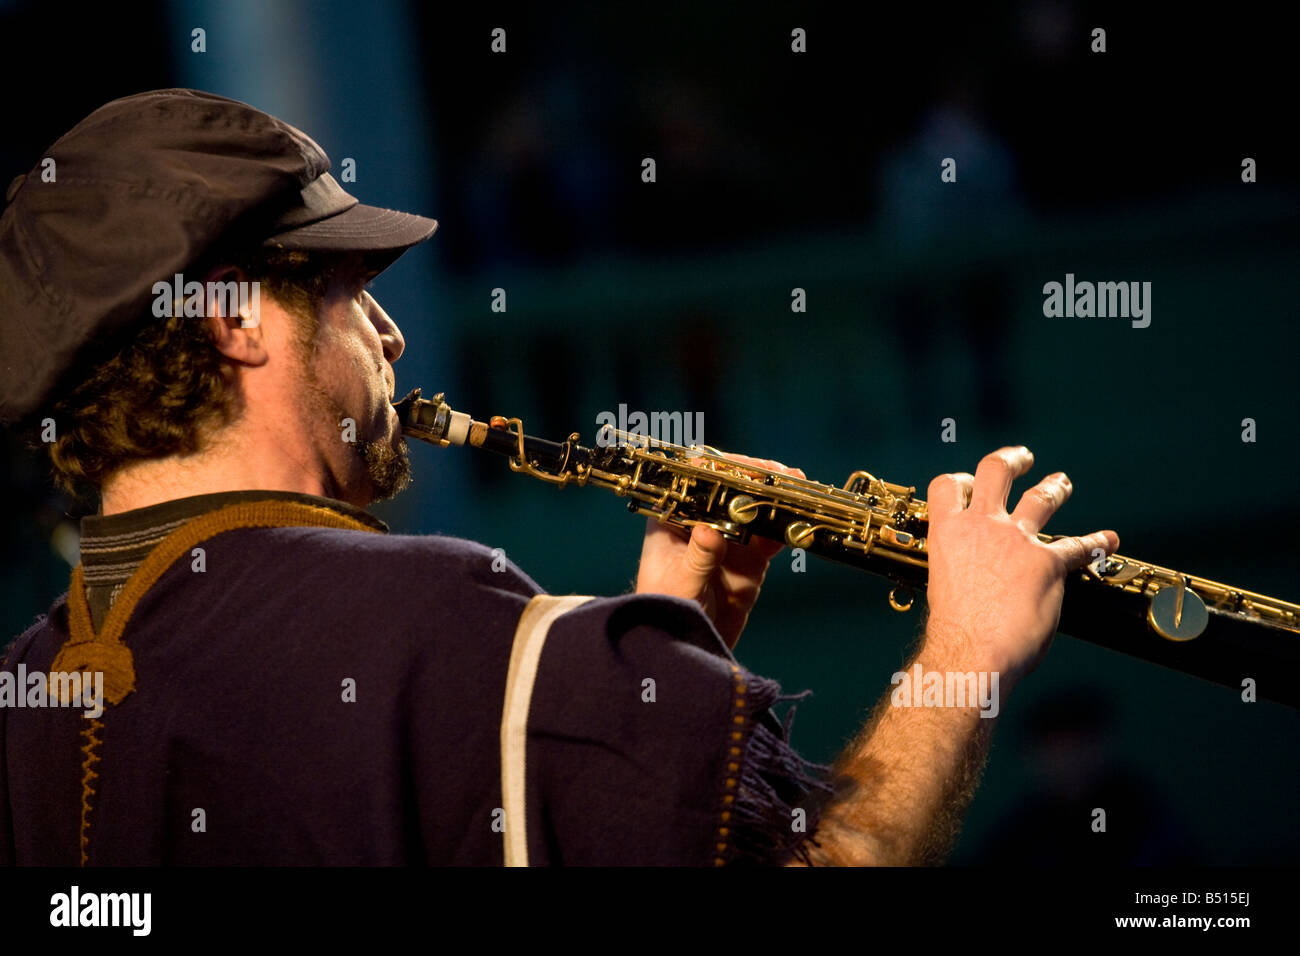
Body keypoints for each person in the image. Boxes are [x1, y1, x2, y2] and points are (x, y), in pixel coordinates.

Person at [0, 89, 1118, 866]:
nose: (390, 337)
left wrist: (655, 658)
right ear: (236, 319)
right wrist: (967, 647)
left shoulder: (31, 688)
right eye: (347, 291)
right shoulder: (440, 614)